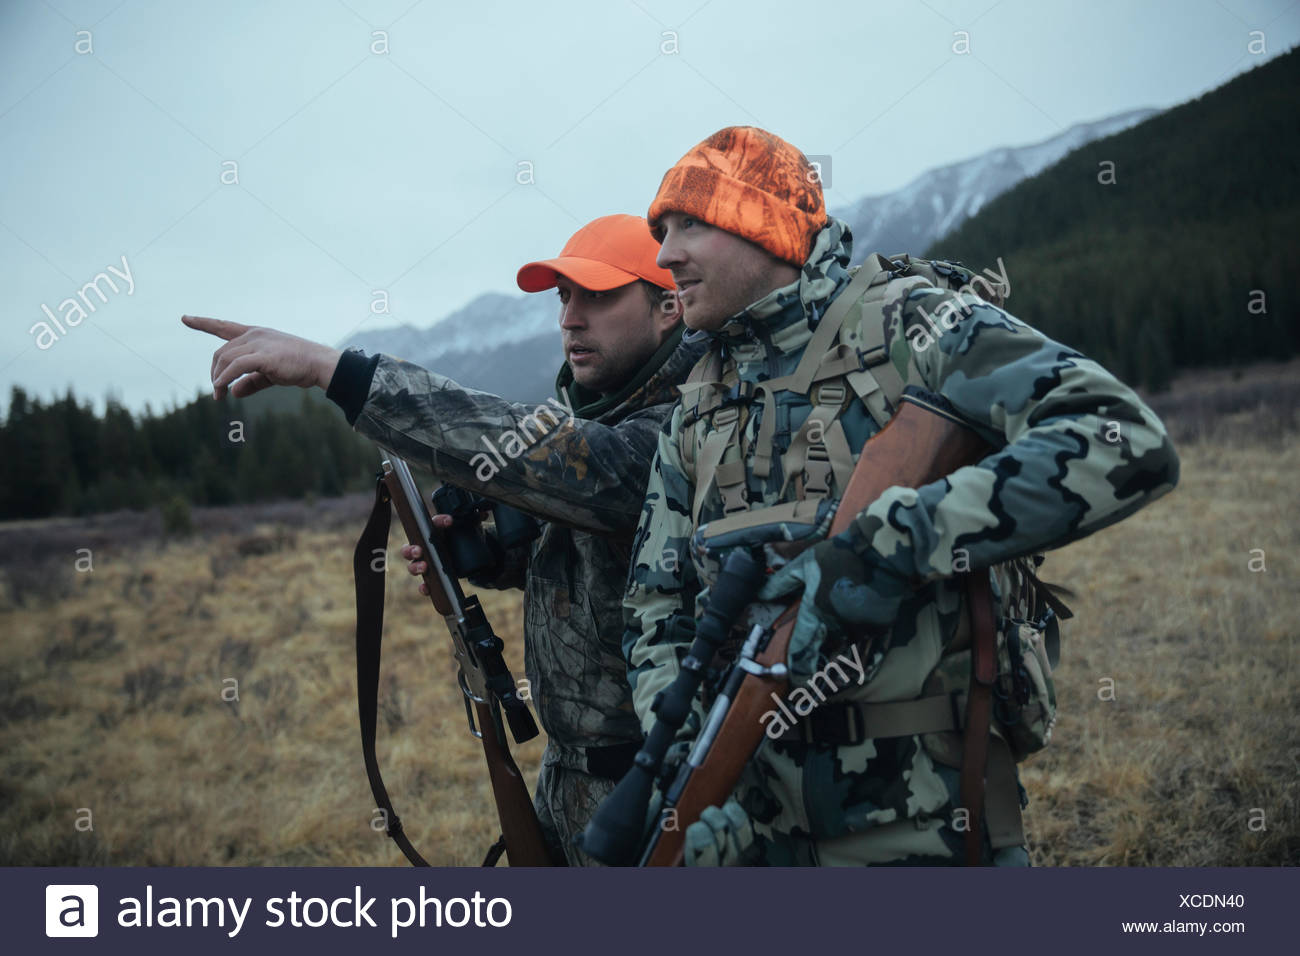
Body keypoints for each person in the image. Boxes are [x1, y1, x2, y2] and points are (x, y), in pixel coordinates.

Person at [621, 127, 1181, 866]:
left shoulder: (912, 322)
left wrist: (895, 543)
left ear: (761, 226)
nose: (665, 256)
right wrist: (693, 769)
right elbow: (654, 607)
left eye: (689, 225)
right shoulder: (696, 404)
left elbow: (1123, 435)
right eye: (661, 233)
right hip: (753, 840)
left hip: (925, 828)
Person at [183, 214, 704, 865]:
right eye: (564, 297)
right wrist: (484, 556)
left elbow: (589, 472)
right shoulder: (596, 417)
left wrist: (335, 371)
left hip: (665, 799)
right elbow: (591, 548)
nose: (570, 318)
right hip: (569, 781)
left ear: (668, 308)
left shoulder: (682, 429)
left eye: (597, 296)